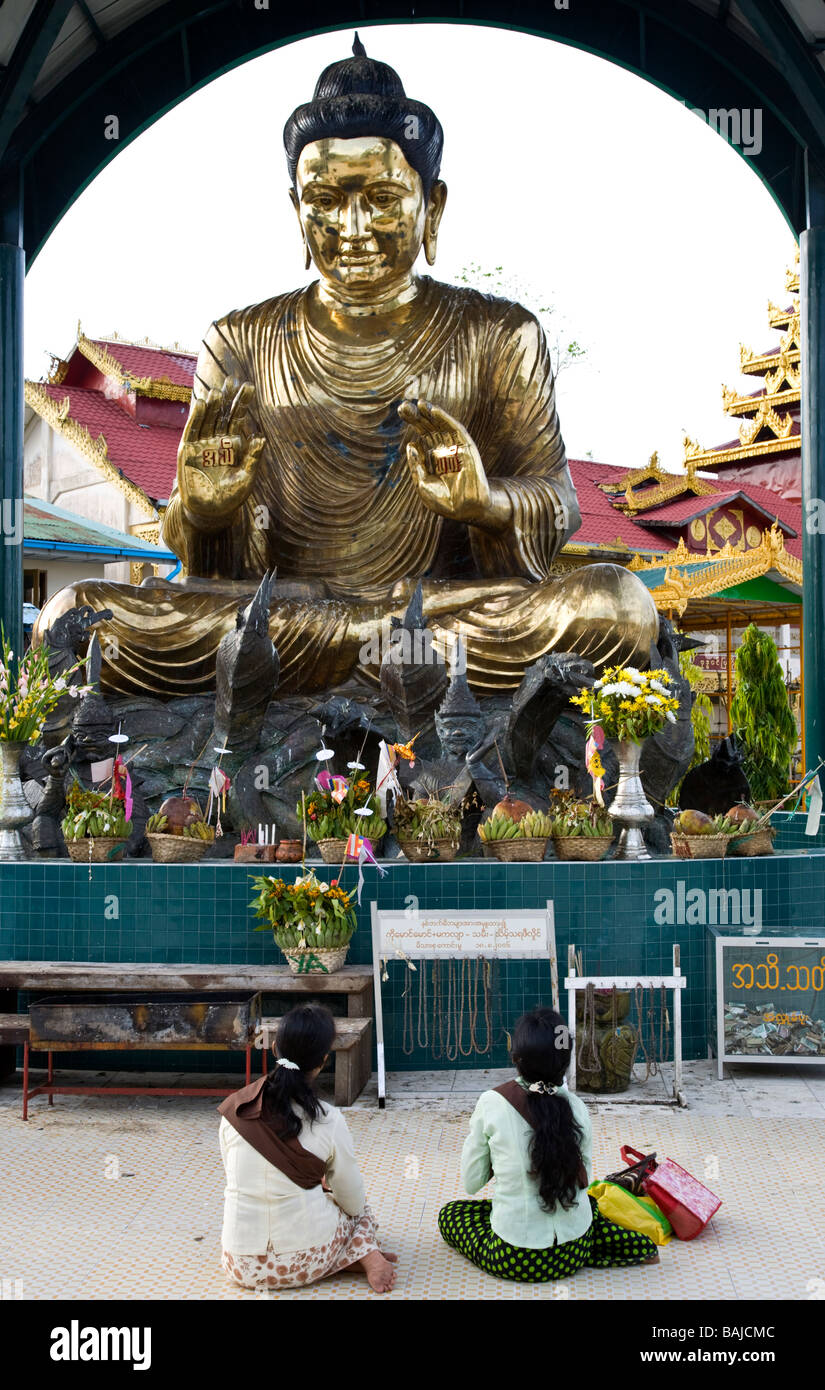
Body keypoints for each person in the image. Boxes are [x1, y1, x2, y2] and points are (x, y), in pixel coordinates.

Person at [34, 36, 658, 699]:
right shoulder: (239, 339)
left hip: (432, 613)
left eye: (383, 197)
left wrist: (483, 502)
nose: (353, 227)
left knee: (614, 607)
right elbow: (200, 557)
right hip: (286, 617)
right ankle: (370, 660)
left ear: (432, 206)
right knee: (73, 619)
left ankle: (348, 662)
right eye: (326, 200)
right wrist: (205, 512)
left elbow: (557, 503)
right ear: (296, 211)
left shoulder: (499, 334)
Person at [438, 1007, 659, 1281]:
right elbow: (584, 1182)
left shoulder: (492, 1102)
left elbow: (471, 1183)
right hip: (574, 1249)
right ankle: (638, 1246)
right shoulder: (577, 1107)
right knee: (588, 1205)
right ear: (565, 1061)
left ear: (517, 1058)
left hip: (515, 1256)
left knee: (452, 1214)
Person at [218, 1003, 396, 1292]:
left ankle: (346, 1257)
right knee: (362, 1211)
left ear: (274, 1048)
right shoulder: (329, 1119)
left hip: (239, 1264)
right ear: (323, 1061)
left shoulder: (235, 1110)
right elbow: (351, 1202)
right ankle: (359, 1253)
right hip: (304, 1263)